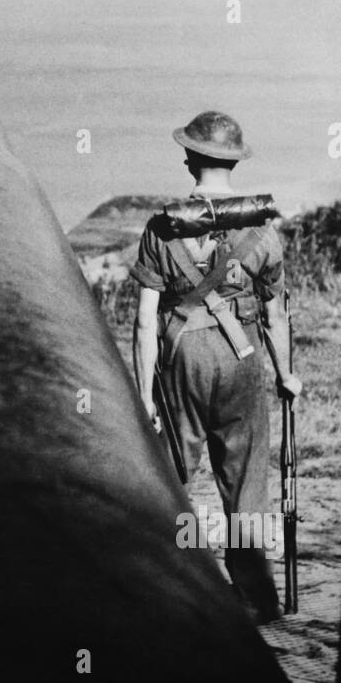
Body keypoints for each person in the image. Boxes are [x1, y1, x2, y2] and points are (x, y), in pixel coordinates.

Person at [130, 111, 301, 623]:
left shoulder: (162, 226)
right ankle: (254, 598)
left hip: (183, 357)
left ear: (191, 159)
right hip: (243, 357)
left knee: (170, 477)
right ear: (233, 160)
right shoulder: (263, 228)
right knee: (245, 482)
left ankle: (167, 590)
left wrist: (143, 394)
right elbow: (275, 313)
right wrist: (286, 373)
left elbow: (143, 323)